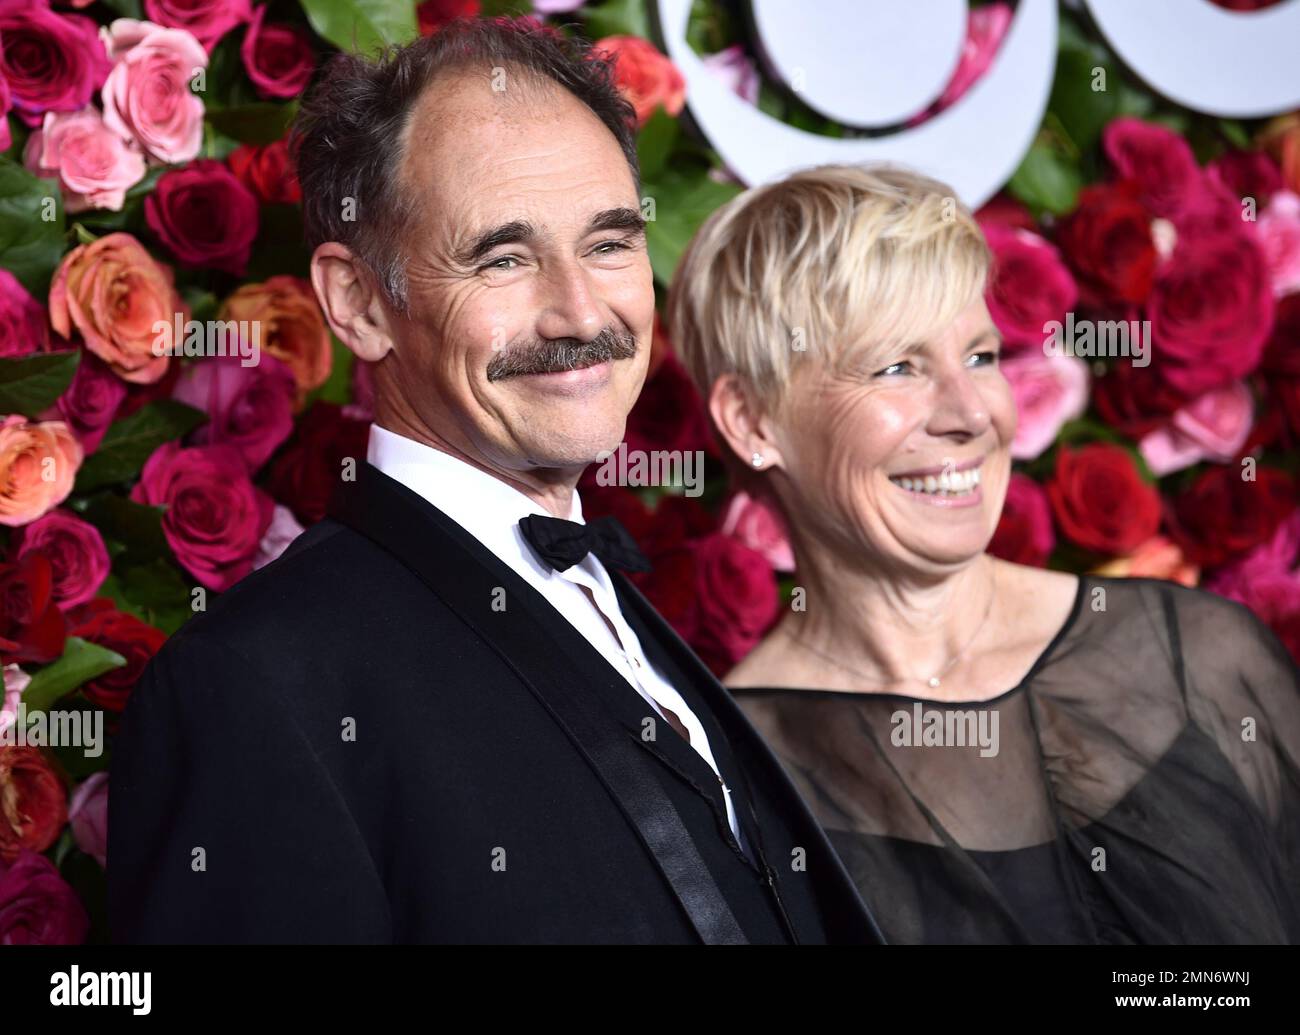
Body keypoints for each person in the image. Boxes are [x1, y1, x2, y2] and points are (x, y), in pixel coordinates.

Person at [106, 20, 883, 945]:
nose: (582, 312)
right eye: (503, 258)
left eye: (607, 243)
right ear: (357, 303)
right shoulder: (254, 687)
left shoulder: (616, 608)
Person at [666, 161, 1300, 944]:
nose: (970, 412)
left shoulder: (1196, 655)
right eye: (897, 366)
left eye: (980, 355)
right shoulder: (742, 784)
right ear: (753, 421)